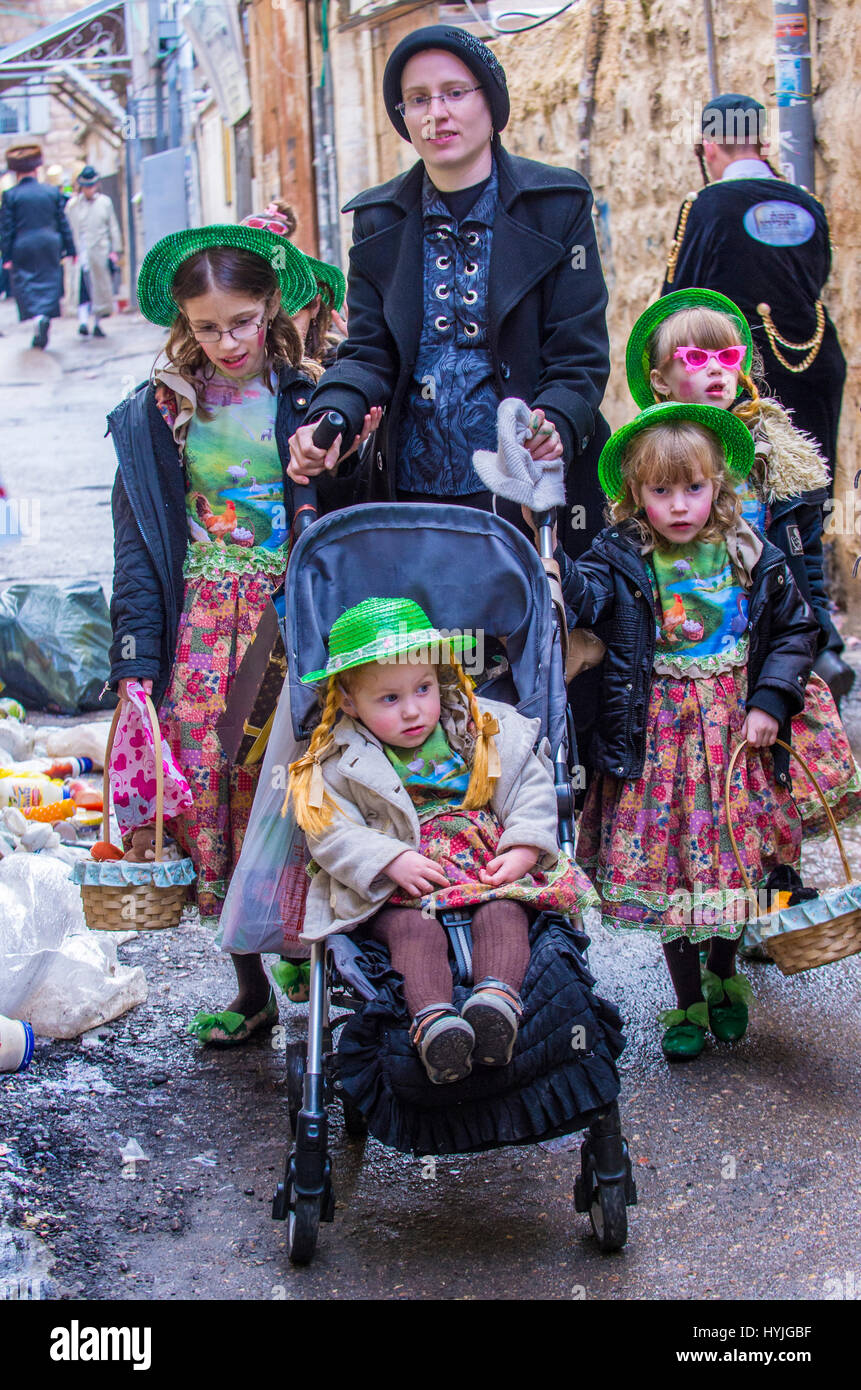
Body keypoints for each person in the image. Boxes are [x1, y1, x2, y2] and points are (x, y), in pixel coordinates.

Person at [105, 212, 379, 1046]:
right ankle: (250, 983)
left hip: (288, 622)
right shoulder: (156, 414)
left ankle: (311, 950)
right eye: (206, 328)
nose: (226, 343)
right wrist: (133, 663)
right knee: (212, 788)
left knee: (297, 785)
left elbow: (351, 515)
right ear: (183, 327)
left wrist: (353, 452)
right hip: (199, 627)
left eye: (242, 322)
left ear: (273, 310)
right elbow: (137, 545)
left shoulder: (312, 397)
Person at [287, 24, 611, 563]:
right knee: (416, 621)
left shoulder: (557, 205)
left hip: (523, 487)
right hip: (410, 491)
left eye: (454, 93)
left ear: (491, 102)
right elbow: (368, 353)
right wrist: (332, 414)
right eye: (418, 99)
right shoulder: (377, 220)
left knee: (528, 616)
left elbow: (580, 355)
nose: (436, 113)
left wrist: (554, 421)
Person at [562, 402, 819, 1062]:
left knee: (734, 860)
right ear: (634, 494)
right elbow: (583, 598)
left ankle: (724, 974)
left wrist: (769, 699)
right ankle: (685, 999)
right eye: (660, 491)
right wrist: (551, 554)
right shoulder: (621, 556)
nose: (678, 505)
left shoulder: (748, 553)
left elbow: (796, 628)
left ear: (718, 485)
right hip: (659, 743)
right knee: (673, 869)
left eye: (693, 488)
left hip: (735, 736)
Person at [287, 597, 597, 1083]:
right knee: (414, 933)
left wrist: (523, 845)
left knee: (505, 911)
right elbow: (329, 830)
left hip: (486, 867)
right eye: (389, 699)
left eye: (423, 688)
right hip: (402, 885)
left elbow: (529, 786)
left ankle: (496, 1004)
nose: (413, 711)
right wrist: (388, 860)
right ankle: (435, 1025)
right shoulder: (337, 761)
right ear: (348, 702)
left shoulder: (480, 728)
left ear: (439, 676)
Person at [661, 92, 851, 696]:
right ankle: (822, 638)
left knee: (738, 497)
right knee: (803, 497)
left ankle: (750, 631)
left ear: (709, 146)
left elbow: (679, 298)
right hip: (812, 358)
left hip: (742, 369)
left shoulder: (707, 204)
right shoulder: (807, 203)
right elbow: (818, 276)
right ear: (762, 141)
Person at [627, 288, 856, 710]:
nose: (716, 368)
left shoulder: (775, 458)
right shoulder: (649, 459)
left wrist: (819, 639)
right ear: (660, 381)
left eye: (727, 356)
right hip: (682, 661)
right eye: (696, 358)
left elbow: (804, 557)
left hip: (766, 650)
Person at [0, 143, 75, 349]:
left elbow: (6, 228)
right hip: (50, 243)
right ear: (36, 169)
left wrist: (6, 256)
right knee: (49, 282)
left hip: (23, 245)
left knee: (28, 285)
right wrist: (71, 249)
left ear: (16, 173)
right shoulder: (51, 192)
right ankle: (44, 317)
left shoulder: (10, 195)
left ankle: (37, 319)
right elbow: (62, 222)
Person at [65, 165, 123, 339]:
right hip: (81, 252)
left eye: (92, 186)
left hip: (100, 251)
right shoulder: (73, 205)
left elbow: (112, 226)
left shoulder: (104, 203)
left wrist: (115, 250)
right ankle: (83, 322)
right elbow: (69, 229)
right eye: (86, 186)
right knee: (82, 289)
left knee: (99, 289)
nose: (90, 190)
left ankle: (97, 323)